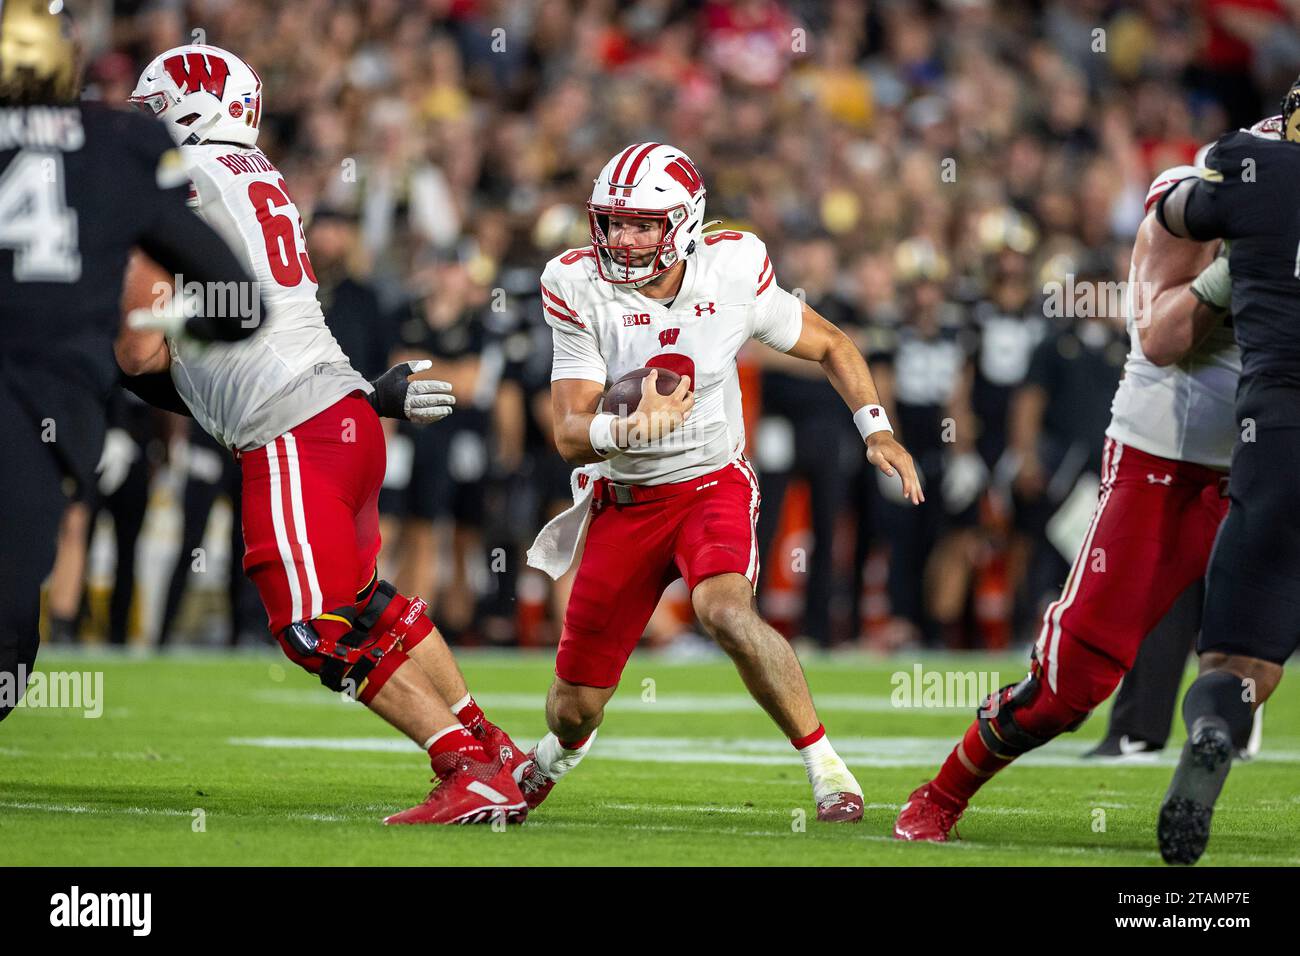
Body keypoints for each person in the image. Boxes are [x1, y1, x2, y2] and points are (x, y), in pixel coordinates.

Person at [115, 43, 522, 825]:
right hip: (347, 416)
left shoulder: (179, 179)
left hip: (291, 431)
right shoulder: (256, 174)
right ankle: (489, 743)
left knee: (312, 625)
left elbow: (139, 347)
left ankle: (463, 766)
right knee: (367, 605)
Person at [518, 143, 923, 822]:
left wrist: (875, 429)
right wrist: (626, 430)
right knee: (572, 709)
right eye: (614, 222)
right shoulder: (576, 283)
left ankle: (827, 768)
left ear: (684, 222)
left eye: (644, 223)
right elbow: (568, 430)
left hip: (711, 483)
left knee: (726, 612)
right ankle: (551, 757)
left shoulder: (731, 268)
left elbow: (831, 344)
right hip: (624, 500)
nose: (624, 237)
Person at [893, 158, 1240, 842]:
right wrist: (1250, 248)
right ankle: (944, 792)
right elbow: (1164, 336)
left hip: (1263, 463)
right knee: (1071, 689)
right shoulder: (1207, 186)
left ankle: (1206, 750)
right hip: (1163, 465)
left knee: (1249, 653)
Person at [0, 4, 259, 721]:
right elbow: (234, 306)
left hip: (51, 394)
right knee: (10, 638)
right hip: (45, 400)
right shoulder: (118, 143)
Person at [1151, 78, 1300, 864]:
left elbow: (1175, 210)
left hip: (1277, 432)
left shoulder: (1254, 164)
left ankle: (1214, 730)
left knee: (1238, 662)